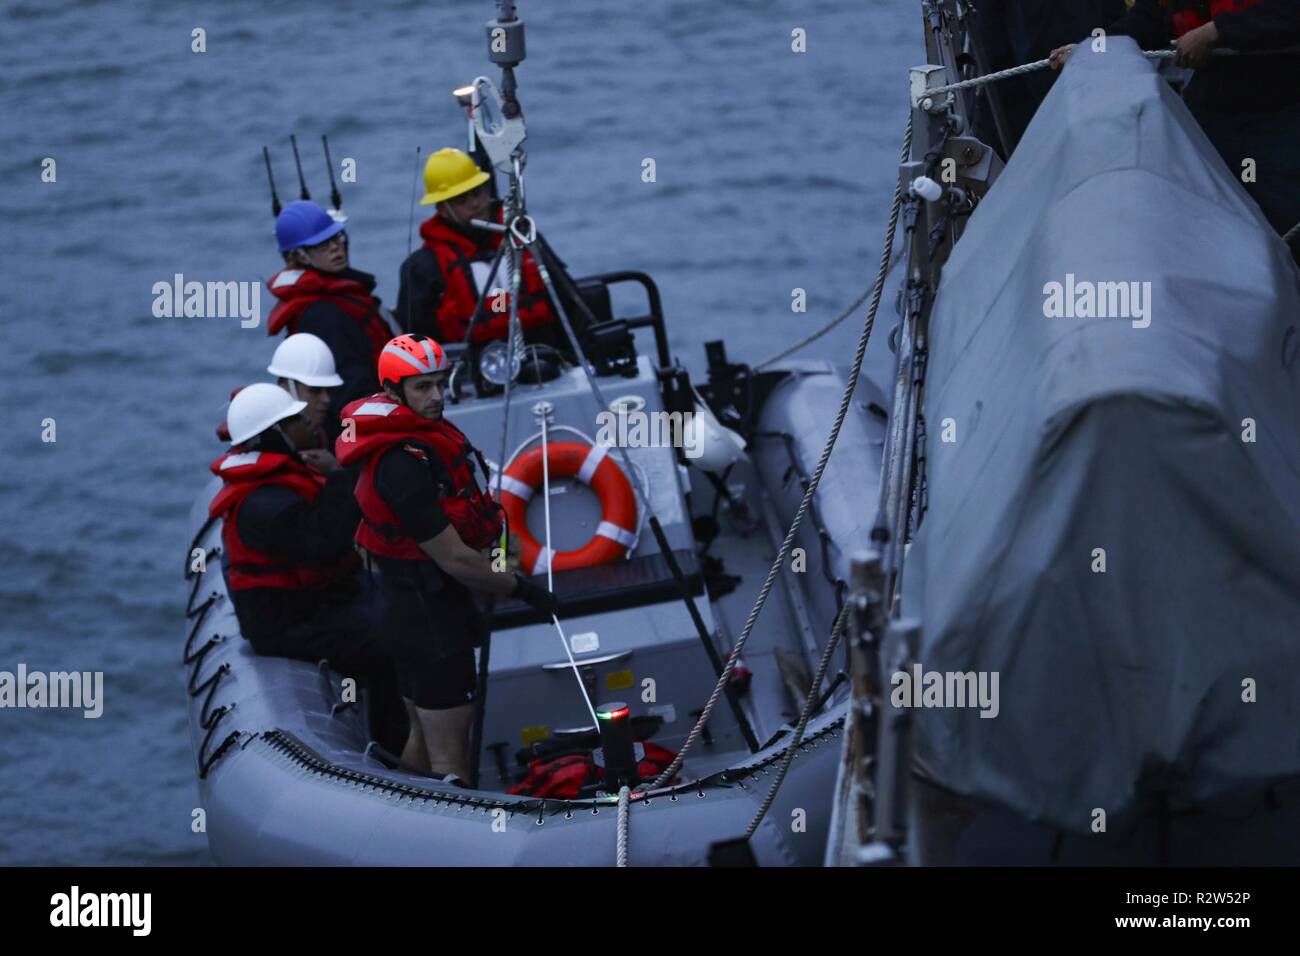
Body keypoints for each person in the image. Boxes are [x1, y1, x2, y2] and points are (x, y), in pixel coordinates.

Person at [335, 333, 560, 780]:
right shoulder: (402, 466)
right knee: (452, 757)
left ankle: (404, 831)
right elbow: (454, 559)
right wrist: (523, 589)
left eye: (440, 382)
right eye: (422, 387)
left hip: (408, 611)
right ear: (392, 391)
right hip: (429, 626)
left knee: (421, 737)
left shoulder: (417, 440)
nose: (437, 396)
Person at [209, 382, 407, 752]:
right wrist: (338, 478)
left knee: (403, 602)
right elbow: (325, 544)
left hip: (314, 604)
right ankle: (394, 745)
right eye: (294, 420)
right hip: (287, 624)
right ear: (275, 435)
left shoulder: (275, 483)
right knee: (390, 635)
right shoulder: (266, 503)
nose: (307, 424)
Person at [1050, 1, 1300, 250]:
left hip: (1281, 114)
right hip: (1213, 115)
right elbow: (1148, 20)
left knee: (1282, 219)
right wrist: (1093, 48)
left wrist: (1217, 31)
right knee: (1215, 223)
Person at [395, 148, 561, 347]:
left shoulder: (522, 236)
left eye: (477, 192)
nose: (474, 204)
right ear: (442, 208)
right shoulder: (423, 267)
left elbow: (564, 299)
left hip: (545, 354)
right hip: (472, 370)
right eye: (461, 200)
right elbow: (418, 340)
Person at [266, 200, 397, 420]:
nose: (335, 247)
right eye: (321, 245)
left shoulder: (335, 299)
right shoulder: (324, 315)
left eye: (336, 238)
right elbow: (351, 384)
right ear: (298, 257)